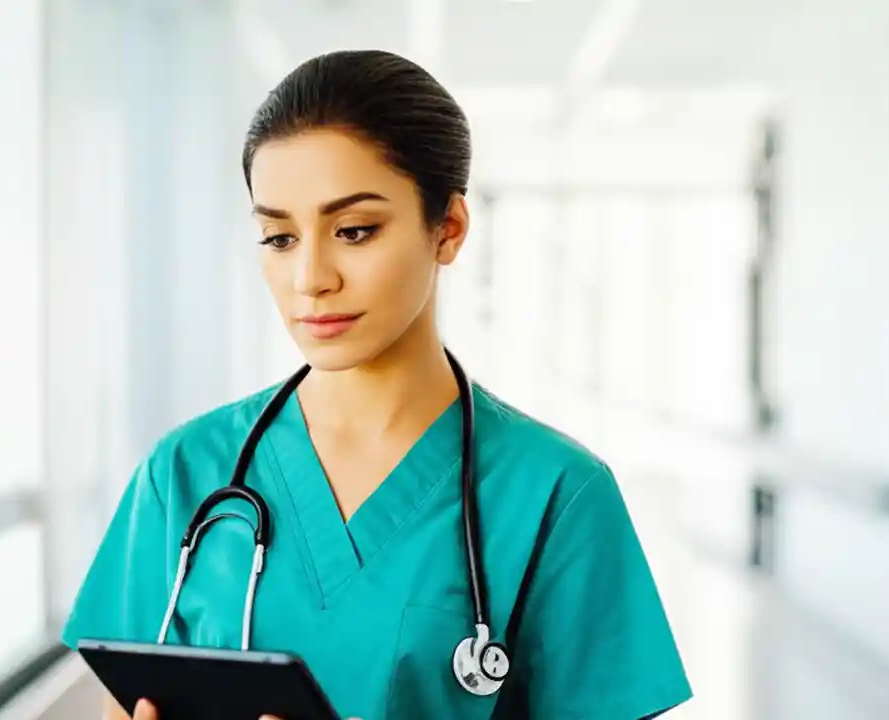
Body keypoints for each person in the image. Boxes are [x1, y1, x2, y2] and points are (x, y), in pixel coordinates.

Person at [61, 48, 692, 720]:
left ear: (446, 228)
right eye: (278, 238)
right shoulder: (185, 474)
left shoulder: (555, 494)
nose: (311, 278)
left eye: (354, 231)